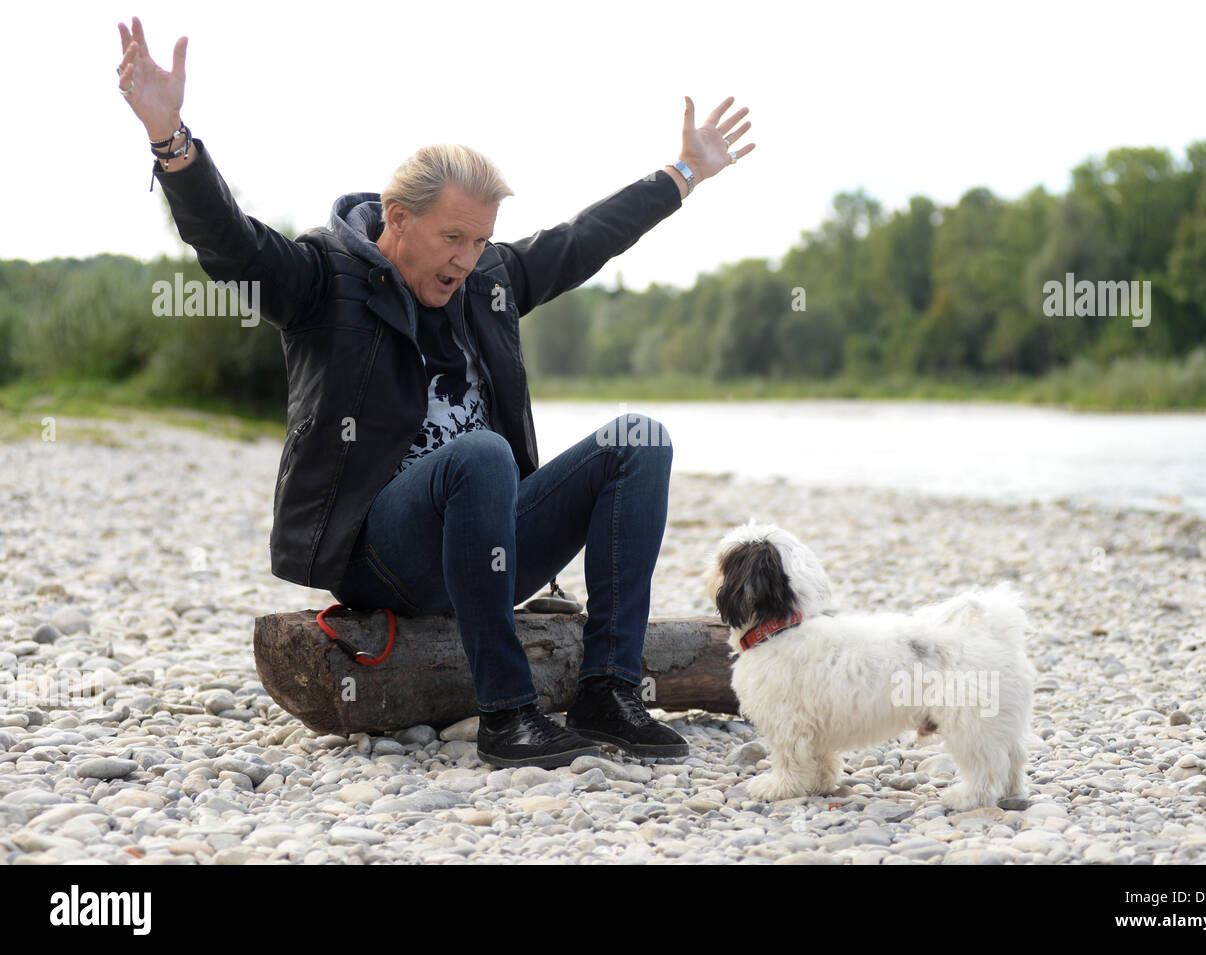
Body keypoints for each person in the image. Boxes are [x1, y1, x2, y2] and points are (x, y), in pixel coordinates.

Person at [116, 17, 755, 769]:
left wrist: (682, 173)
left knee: (639, 439)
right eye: (453, 236)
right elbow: (229, 244)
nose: (468, 256)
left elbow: (583, 239)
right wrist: (171, 140)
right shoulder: (324, 280)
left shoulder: (487, 282)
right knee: (480, 454)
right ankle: (508, 713)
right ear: (398, 218)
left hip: (488, 542)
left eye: (481, 238)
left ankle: (608, 688)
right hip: (383, 555)